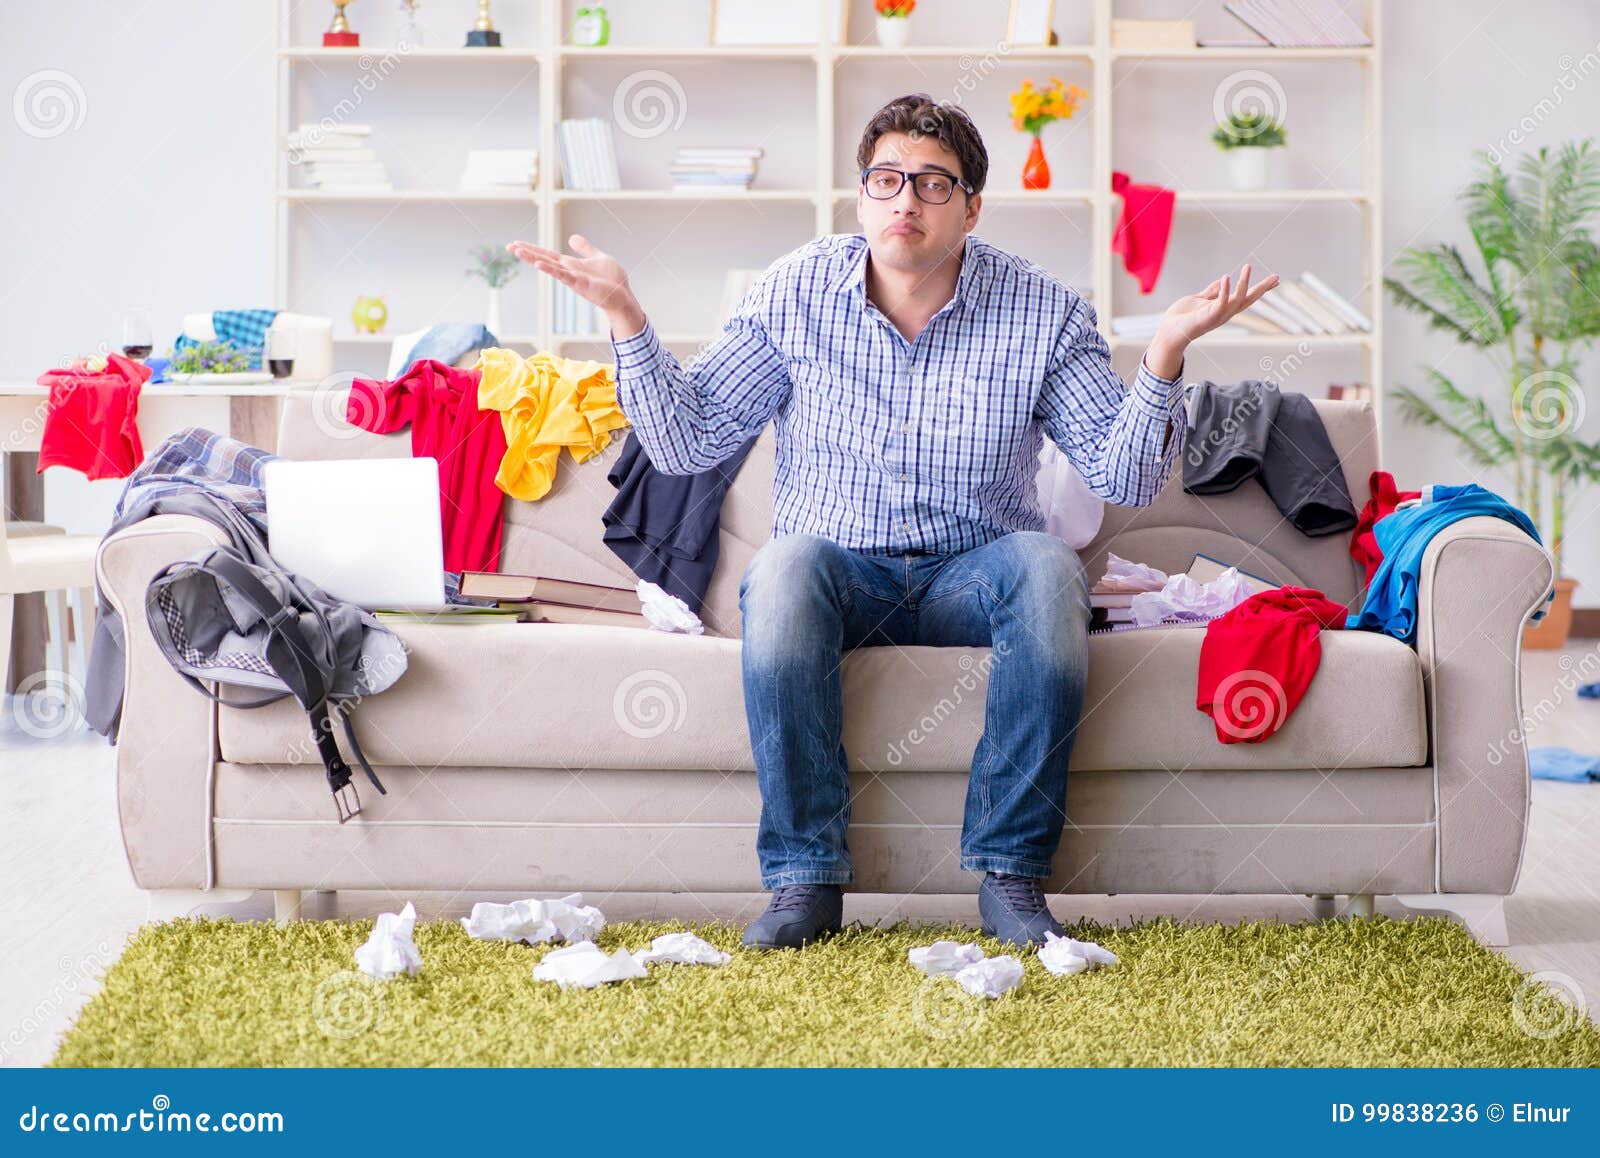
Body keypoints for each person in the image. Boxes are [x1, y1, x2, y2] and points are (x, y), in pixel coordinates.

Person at [507, 92, 1277, 950]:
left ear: (973, 208)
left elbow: (1121, 470)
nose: (905, 200)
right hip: (840, 572)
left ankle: (1012, 876)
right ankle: (804, 883)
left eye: (933, 184)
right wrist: (627, 318)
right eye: (886, 179)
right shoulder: (795, 289)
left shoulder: (1045, 311)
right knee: (787, 566)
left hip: (974, 573)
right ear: (862, 196)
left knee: (1047, 567)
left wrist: (1165, 354)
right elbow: (689, 441)